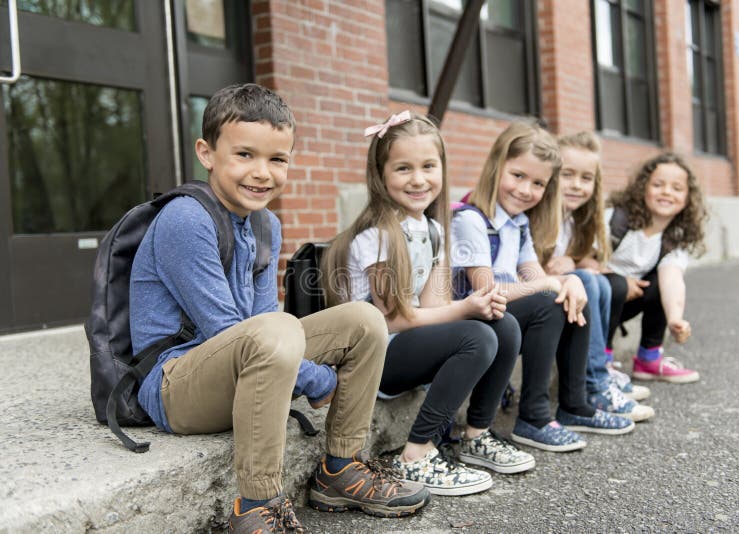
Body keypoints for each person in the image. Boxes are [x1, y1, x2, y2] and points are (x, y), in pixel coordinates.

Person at [129, 84, 430, 533]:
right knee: (274, 332)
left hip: (242, 360)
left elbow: (269, 320)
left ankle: (340, 469)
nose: (262, 173)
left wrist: (300, 367)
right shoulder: (185, 220)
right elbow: (227, 329)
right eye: (244, 155)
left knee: (365, 321)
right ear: (206, 153)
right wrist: (318, 378)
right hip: (176, 386)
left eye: (278, 159)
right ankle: (256, 506)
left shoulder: (265, 224)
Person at [323, 111, 534, 496]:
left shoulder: (434, 230)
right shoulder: (377, 236)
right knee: (477, 337)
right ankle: (416, 456)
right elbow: (394, 320)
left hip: (406, 346)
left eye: (428, 166)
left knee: (504, 326)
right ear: (381, 174)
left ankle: (475, 434)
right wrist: (467, 308)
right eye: (403, 168)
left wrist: (478, 307)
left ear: (442, 168)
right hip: (373, 360)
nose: (418, 179)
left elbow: (435, 305)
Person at [450, 121, 634, 453]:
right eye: (518, 176)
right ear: (496, 166)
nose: (525, 190)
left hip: (504, 319)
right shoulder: (471, 221)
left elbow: (534, 273)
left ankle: (574, 404)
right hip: (471, 320)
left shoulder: (518, 224)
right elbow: (485, 292)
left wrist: (568, 280)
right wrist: (552, 284)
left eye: (537, 183)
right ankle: (532, 417)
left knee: (571, 292)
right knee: (550, 300)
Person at [547, 132, 653, 421]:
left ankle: (599, 371)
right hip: (537, 291)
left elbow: (583, 257)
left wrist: (574, 260)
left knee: (601, 282)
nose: (576, 185)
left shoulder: (575, 217)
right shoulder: (540, 213)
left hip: (561, 286)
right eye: (567, 174)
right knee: (588, 280)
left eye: (585, 178)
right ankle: (593, 383)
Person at [603, 152, 707, 383]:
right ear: (643, 188)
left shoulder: (674, 237)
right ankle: (601, 363)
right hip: (596, 301)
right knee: (616, 284)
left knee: (661, 282)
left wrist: (675, 319)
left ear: (688, 198)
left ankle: (649, 359)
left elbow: (671, 279)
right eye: (658, 185)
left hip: (629, 300)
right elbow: (585, 260)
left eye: (677, 188)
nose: (667, 192)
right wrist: (616, 277)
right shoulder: (615, 220)